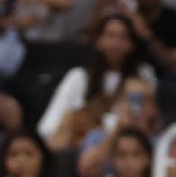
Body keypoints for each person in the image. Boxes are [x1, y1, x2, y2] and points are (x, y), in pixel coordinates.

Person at [39, 15, 156, 148]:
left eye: (123, 37)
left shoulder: (143, 75)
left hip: (125, 146)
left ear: (131, 44)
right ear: (99, 41)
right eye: (110, 36)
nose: (116, 43)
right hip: (80, 148)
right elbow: (50, 124)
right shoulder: (79, 77)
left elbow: (149, 120)